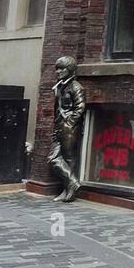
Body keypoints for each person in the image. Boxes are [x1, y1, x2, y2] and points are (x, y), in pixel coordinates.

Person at [49, 55, 87, 202]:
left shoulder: (76, 87)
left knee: (69, 158)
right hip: (59, 127)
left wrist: (69, 124)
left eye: (61, 68)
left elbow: (80, 106)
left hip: (69, 128)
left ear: (70, 69)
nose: (58, 72)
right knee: (54, 158)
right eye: (57, 69)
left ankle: (68, 191)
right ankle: (73, 182)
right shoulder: (60, 86)